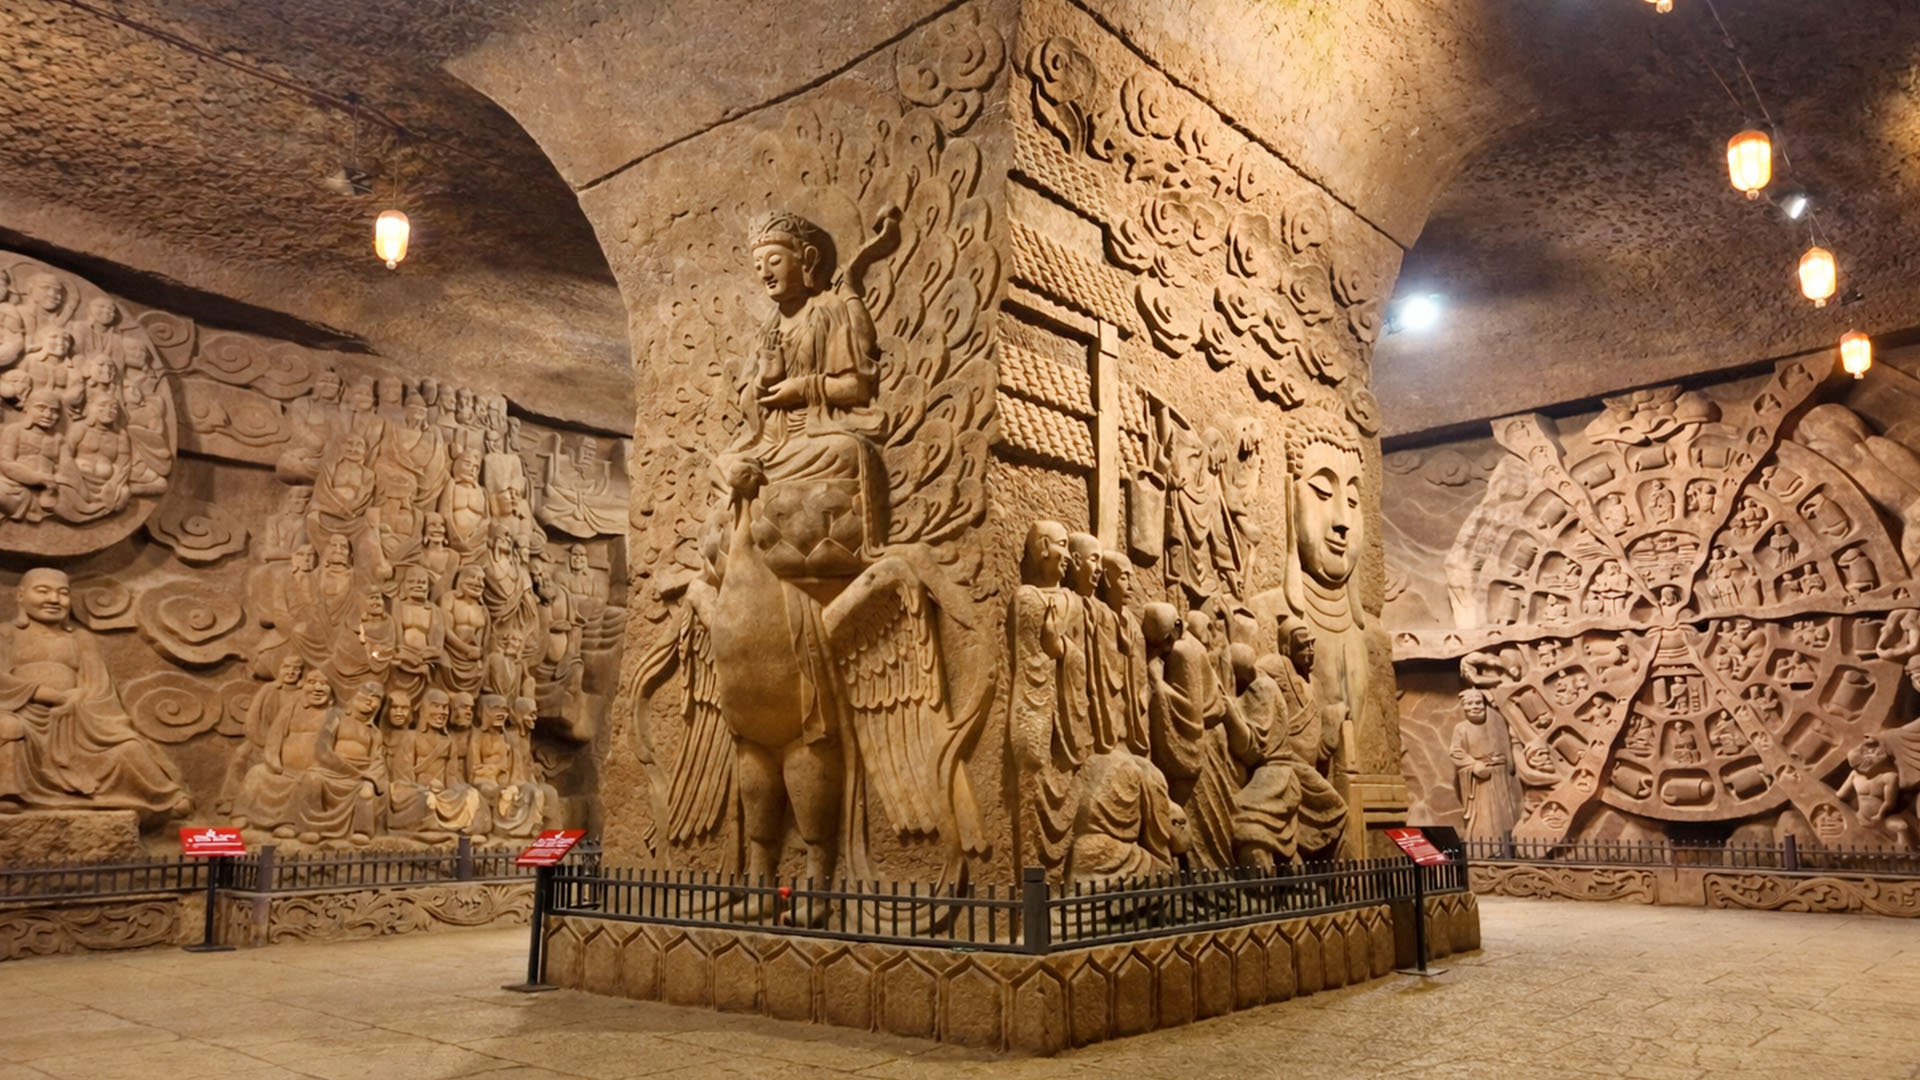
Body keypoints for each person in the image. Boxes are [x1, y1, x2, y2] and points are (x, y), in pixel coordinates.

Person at [0, 568, 189, 817]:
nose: (54, 600)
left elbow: (98, 685)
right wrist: (37, 692)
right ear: (21, 596)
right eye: (43, 591)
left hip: (76, 719)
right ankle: (10, 793)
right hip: (23, 711)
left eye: (63, 593)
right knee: (9, 727)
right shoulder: (7, 633)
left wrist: (78, 698)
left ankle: (166, 795)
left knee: (127, 745)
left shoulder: (80, 638)